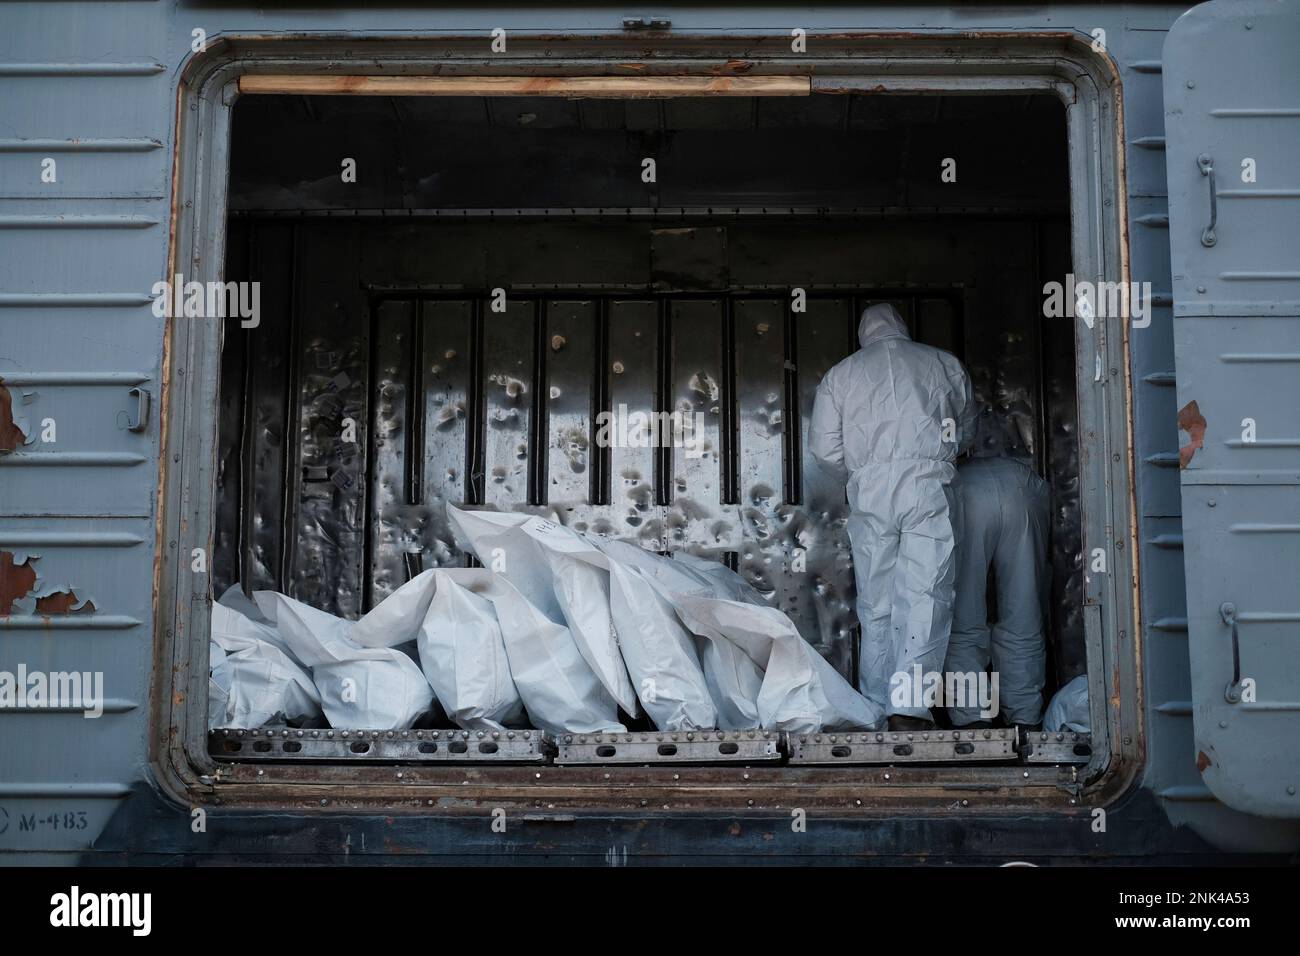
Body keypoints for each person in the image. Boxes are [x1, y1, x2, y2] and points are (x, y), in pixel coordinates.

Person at [809, 303, 975, 731]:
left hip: (870, 491)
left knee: (876, 601)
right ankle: (910, 705)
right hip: (929, 484)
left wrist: (860, 474)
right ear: (902, 326)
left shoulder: (841, 375)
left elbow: (824, 450)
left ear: (864, 333)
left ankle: (876, 706)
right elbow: (965, 429)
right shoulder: (944, 363)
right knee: (926, 591)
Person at [945, 453, 1050, 730]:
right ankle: (1025, 717)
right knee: (1023, 613)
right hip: (1021, 486)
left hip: (966, 489)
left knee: (963, 619)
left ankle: (973, 718)